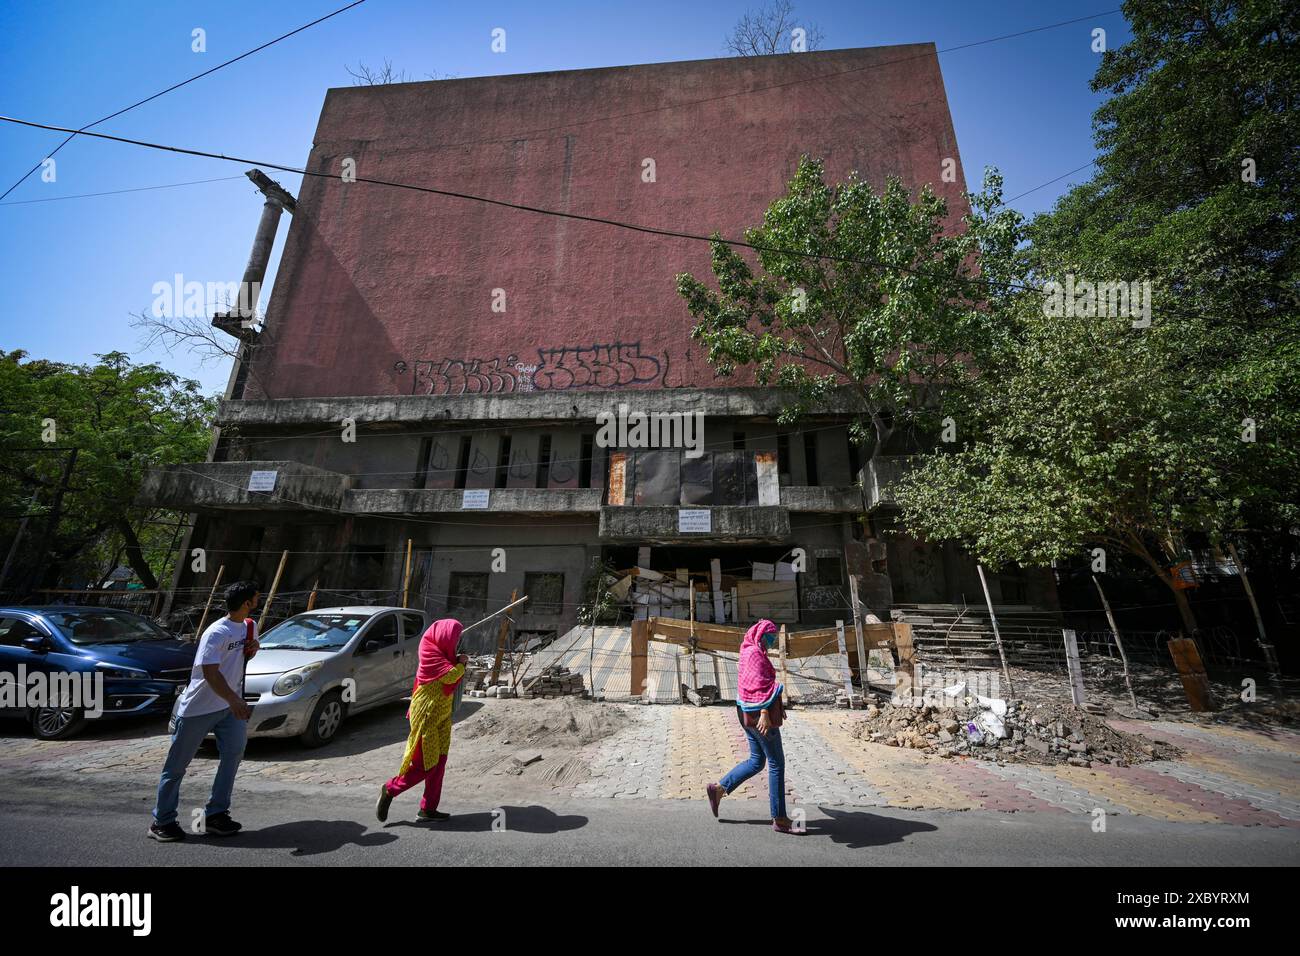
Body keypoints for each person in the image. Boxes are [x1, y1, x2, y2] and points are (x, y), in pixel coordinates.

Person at [149, 580, 261, 842]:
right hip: (199, 708)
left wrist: (252, 651)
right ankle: (162, 821)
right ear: (246, 603)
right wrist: (235, 700)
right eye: (256, 598)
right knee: (176, 766)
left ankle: (216, 814)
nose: (259, 601)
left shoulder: (249, 627)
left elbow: (241, 658)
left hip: (228, 708)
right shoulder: (216, 632)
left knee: (232, 757)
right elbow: (210, 674)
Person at [705, 618, 799, 833]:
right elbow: (759, 687)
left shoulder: (748, 649)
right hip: (759, 714)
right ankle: (780, 818)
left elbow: (755, 686)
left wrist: (772, 705)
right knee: (776, 763)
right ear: (761, 634)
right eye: (770, 636)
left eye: (773, 637)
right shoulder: (756, 654)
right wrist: (766, 712)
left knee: (757, 760)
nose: (772, 640)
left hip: (744, 711)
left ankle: (719, 789)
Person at [376, 618, 467, 823]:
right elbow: (451, 677)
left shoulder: (445, 654)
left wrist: (457, 661)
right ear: (444, 637)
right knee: (426, 764)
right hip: (426, 715)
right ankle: (390, 789)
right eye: (454, 638)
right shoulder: (430, 651)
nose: (456, 643)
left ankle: (428, 809)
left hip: (442, 715)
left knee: (440, 762)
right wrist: (461, 664)